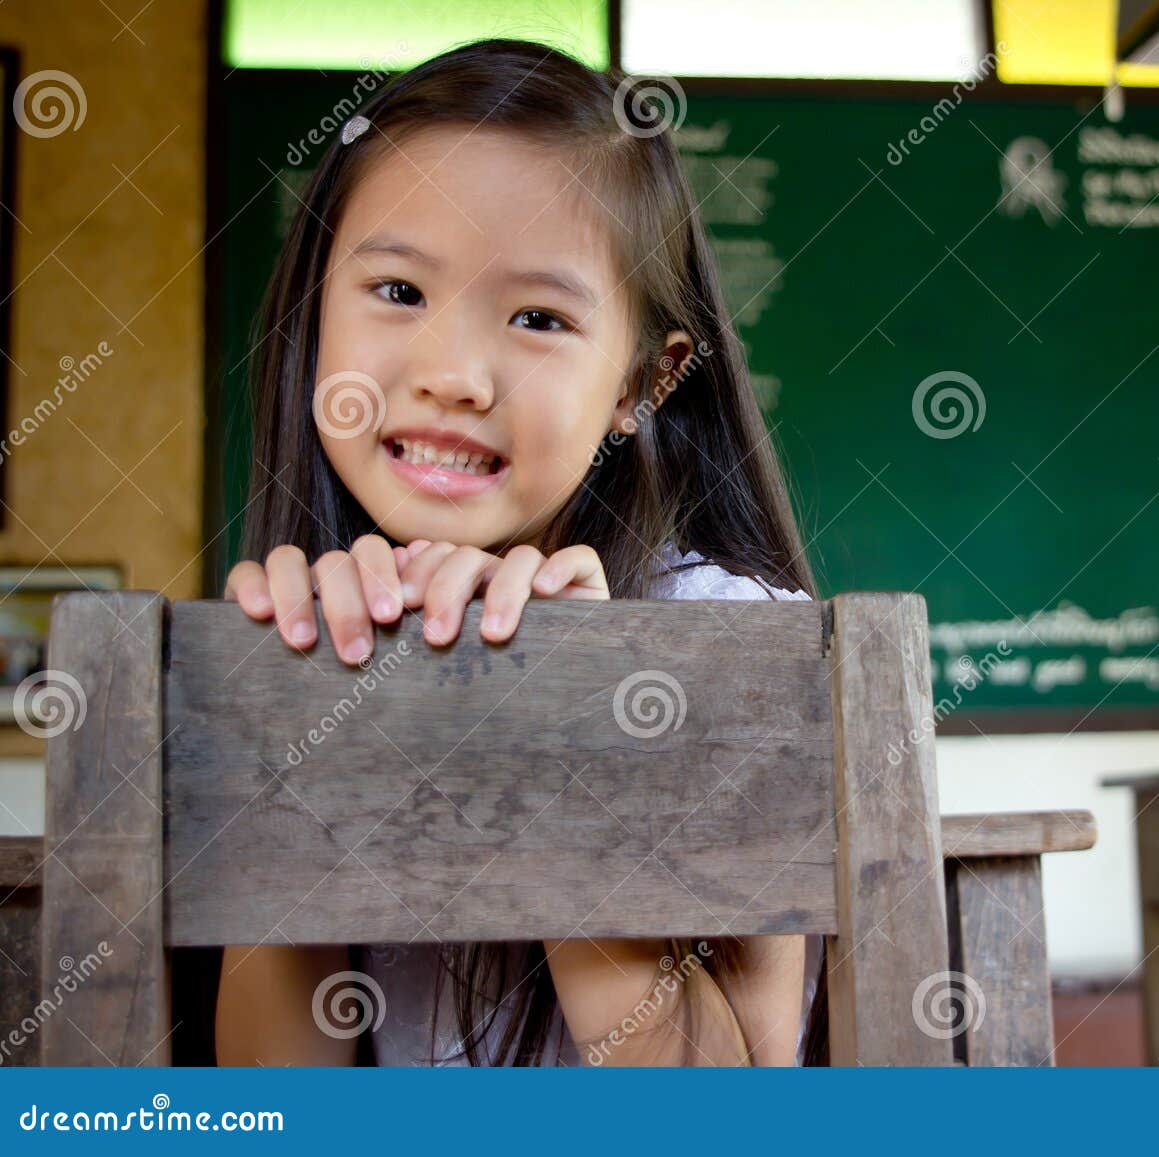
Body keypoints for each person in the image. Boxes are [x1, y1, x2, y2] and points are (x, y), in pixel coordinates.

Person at [214, 37, 824, 1067]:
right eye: (398, 292)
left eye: (538, 316)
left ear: (642, 382)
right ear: (316, 314)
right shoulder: (310, 626)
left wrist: (559, 718)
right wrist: (284, 708)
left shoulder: (727, 642)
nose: (454, 373)